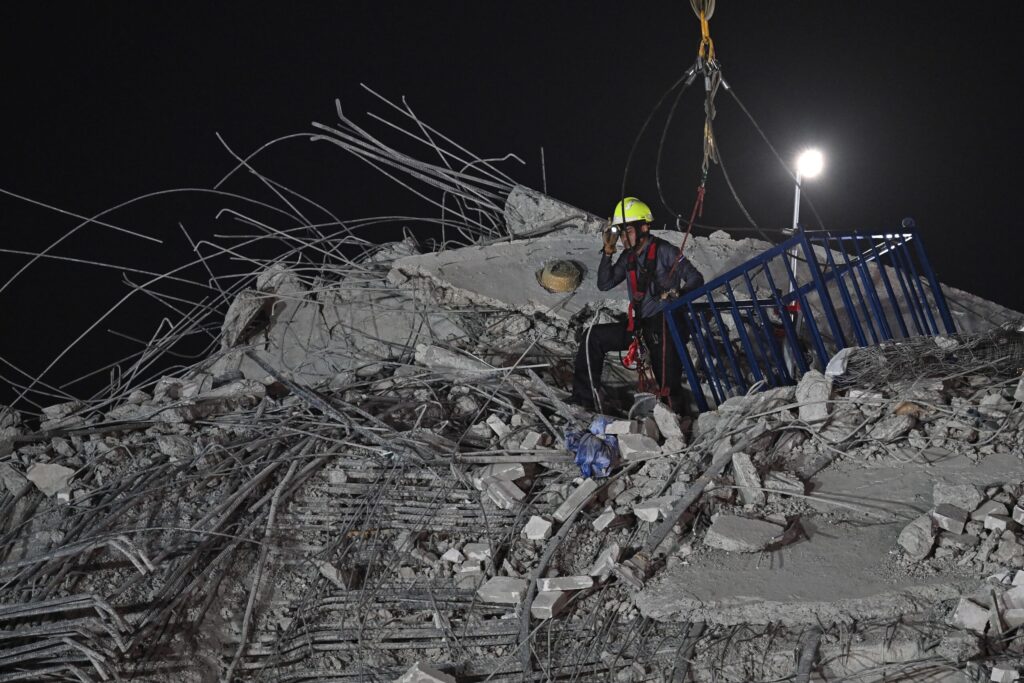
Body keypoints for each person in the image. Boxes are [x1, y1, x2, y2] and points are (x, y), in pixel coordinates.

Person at [569, 197, 705, 414]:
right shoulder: (628, 257)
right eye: (621, 233)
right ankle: (583, 399)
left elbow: (696, 278)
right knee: (592, 337)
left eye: (628, 231)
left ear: (644, 227)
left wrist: (677, 295)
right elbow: (605, 283)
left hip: (664, 325)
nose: (624, 237)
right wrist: (607, 251)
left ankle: (677, 423)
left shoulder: (665, 251)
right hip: (640, 326)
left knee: (667, 387)